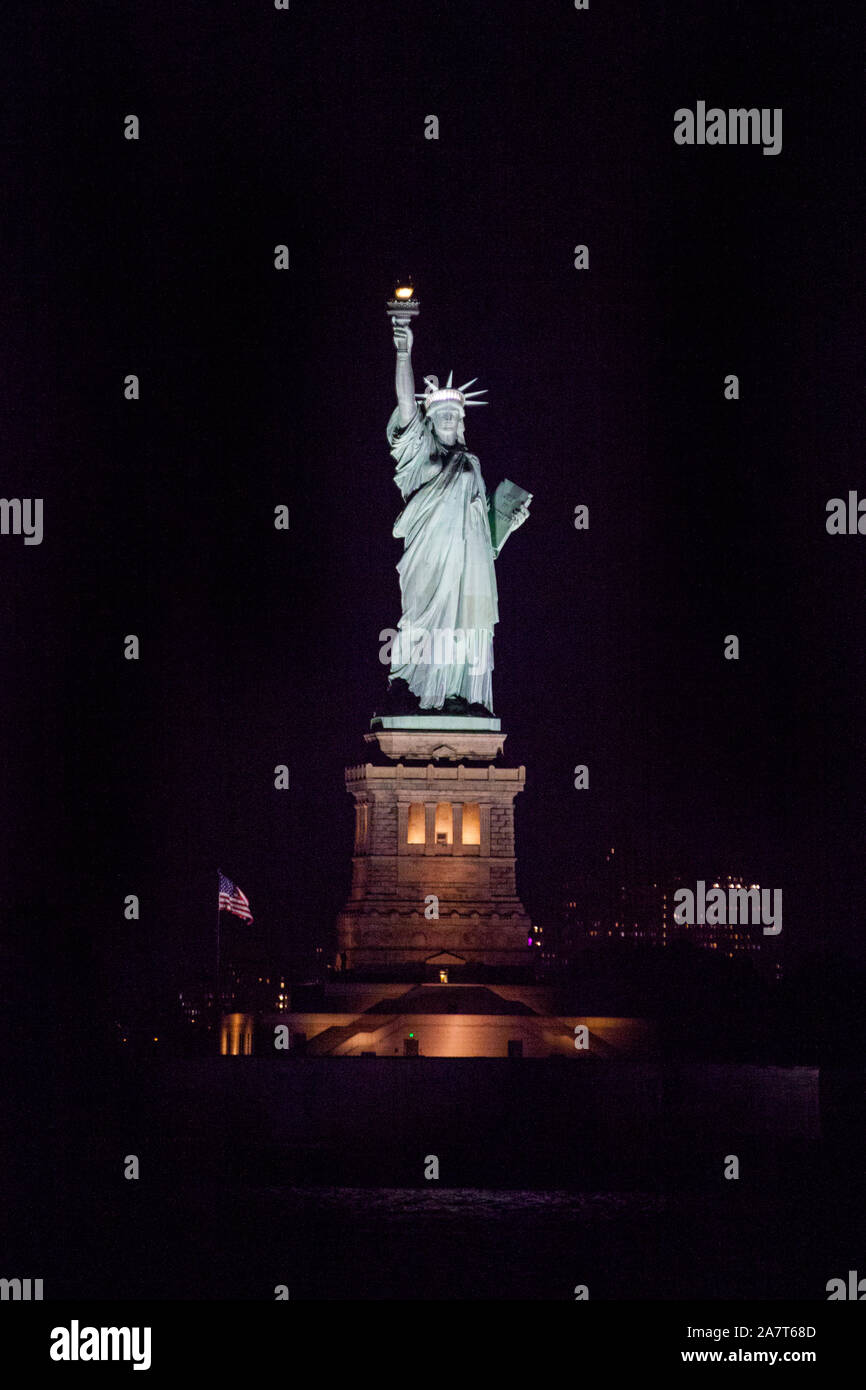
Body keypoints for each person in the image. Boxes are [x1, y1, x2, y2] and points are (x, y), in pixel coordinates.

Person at [383, 318, 529, 716]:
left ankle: (455, 694)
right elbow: (406, 404)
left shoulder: (471, 463)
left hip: (467, 563)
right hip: (427, 558)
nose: (449, 417)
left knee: (465, 625)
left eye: (454, 413)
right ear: (430, 419)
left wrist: (506, 526)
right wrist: (403, 352)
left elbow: (482, 533)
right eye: (441, 412)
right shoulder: (418, 454)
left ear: (461, 419)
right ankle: (409, 687)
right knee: (420, 619)